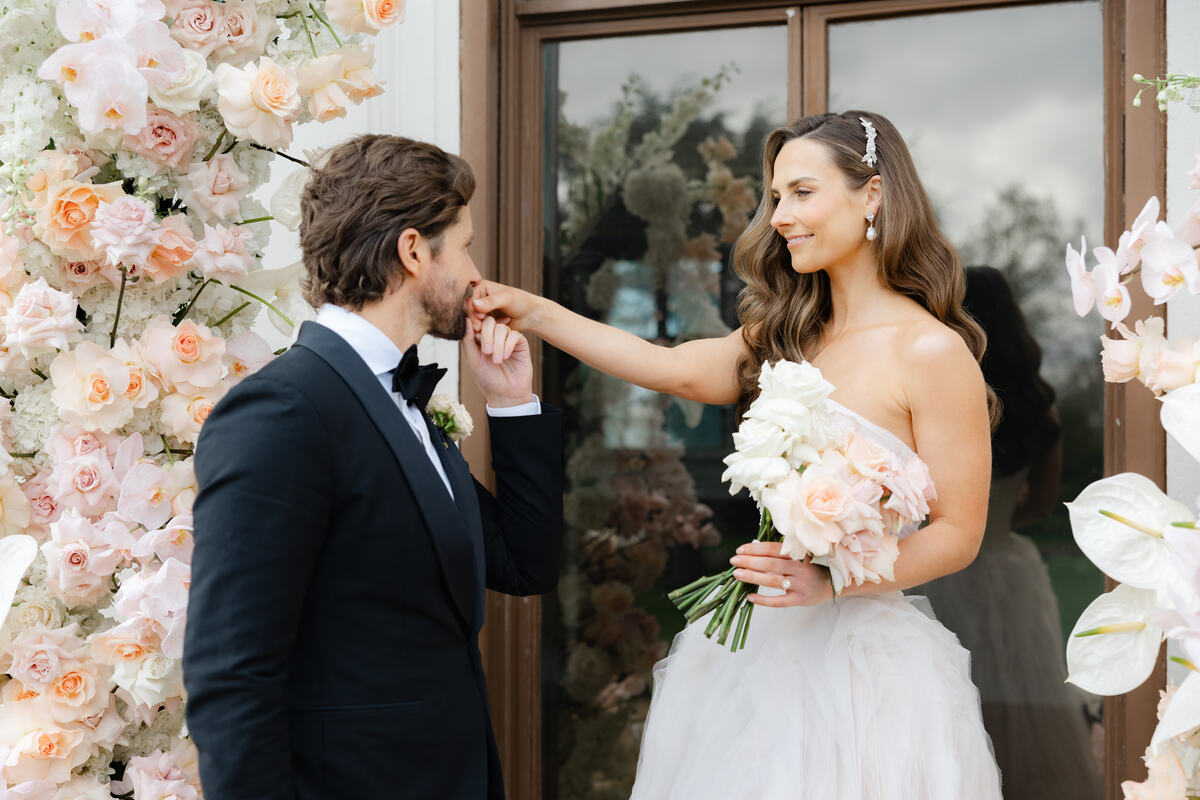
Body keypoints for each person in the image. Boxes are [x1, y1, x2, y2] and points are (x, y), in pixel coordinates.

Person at [472, 111, 1002, 797]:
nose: (780, 215)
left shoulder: (930, 351)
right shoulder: (786, 331)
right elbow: (673, 369)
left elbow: (960, 533)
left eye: (802, 192)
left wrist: (833, 579)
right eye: (777, 197)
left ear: (872, 195)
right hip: (750, 658)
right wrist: (535, 313)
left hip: (864, 672)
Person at [182, 134, 564, 800]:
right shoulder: (284, 411)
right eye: (466, 245)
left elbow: (525, 563)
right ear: (414, 250)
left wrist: (510, 404)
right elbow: (232, 677)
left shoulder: (404, 400)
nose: (476, 274)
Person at [915, 265, 1103, 798]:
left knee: (949, 697)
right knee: (1025, 695)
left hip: (940, 567)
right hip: (1007, 565)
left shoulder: (940, 394)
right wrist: (995, 524)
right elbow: (1044, 501)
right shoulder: (1039, 410)